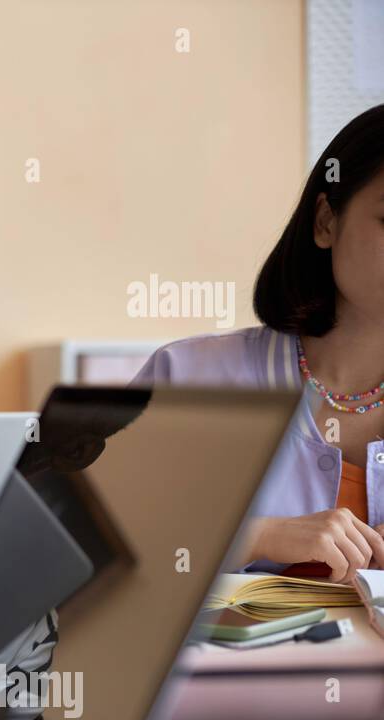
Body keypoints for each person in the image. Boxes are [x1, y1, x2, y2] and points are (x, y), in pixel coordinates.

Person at [134, 104, 384, 582]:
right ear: (326, 222)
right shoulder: (186, 377)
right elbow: (89, 547)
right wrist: (259, 535)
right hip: (222, 658)